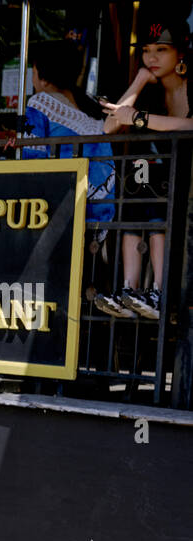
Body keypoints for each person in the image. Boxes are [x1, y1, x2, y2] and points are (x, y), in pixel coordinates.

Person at [94, 20, 192, 321]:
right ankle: (130, 290)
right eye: (147, 51)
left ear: (181, 55)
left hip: (187, 183)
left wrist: (139, 118)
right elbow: (109, 126)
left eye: (161, 50)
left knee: (152, 201)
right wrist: (138, 81)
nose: (152, 58)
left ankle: (160, 294)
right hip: (160, 180)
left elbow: (190, 126)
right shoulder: (148, 90)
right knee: (137, 194)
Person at [20, 41, 116, 227]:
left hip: (65, 208)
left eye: (33, 73)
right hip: (102, 207)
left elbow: (31, 161)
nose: (32, 80)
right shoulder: (91, 106)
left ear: (44, 78)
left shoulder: (40, 102)